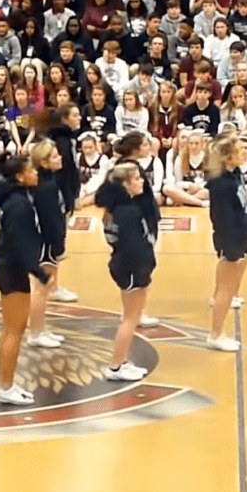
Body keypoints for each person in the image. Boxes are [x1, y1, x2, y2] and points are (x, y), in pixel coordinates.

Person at [0, 153, 54, 405]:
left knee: (10, 330)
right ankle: (5, 386)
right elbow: (20, 242)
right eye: (31, 170)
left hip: (6, 264)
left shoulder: (12, 196)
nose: (35, 173)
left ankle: (5, 383)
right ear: (19, 176)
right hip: (11, 267)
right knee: (13, 331)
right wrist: (39, 272)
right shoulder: (19, 204)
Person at [95, 162, 155, 380]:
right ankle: (115, 366)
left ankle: (122, 361)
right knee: (129, 319)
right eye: (137, 178)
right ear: (125, 184)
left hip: (125, 265)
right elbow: (134, 246)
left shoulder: (119, 207)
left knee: (131, 316)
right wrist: (145, 267)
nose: (141, 181)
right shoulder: (127, 212)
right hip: (130, 267)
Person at [206, 133, 247, 352]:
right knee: (227, 289)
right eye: (239, 150)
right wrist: (233, 244)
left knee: (228, 286)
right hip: (231, 236)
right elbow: (221, 218)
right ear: (228, 157)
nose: (245, 152)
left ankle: (216, 305)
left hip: (242, 230)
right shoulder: (220, 184)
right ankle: (215, 334)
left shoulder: (234, 173)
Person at [25, 140, 69, 348]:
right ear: (43, 161)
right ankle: (35, 333)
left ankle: (40, 328)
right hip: (45, 242)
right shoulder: (45, 186)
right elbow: (50, 219)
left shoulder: (47, 179)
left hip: (45, 240)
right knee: (41, 288)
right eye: (54, 156)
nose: (59, 157)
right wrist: (58, 247)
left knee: (45, 286)